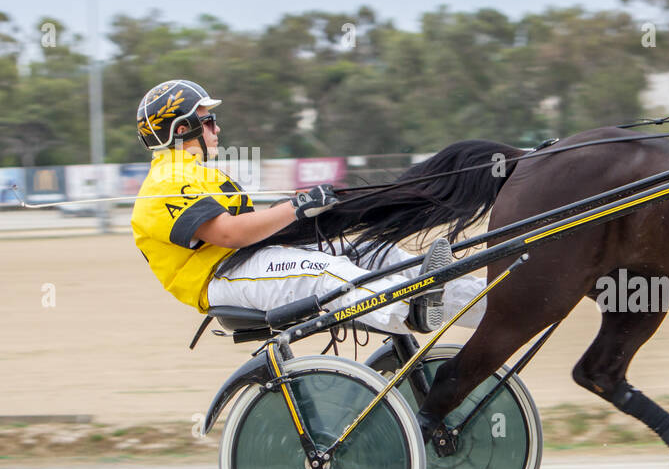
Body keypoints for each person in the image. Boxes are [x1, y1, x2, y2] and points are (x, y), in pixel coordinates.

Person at [130, 79, 484, 335]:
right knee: (323, 272)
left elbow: (251, 225)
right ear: (182, 129)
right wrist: (296, 207)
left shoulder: (196, 173)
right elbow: (229, 233)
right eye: (208, 121)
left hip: (247, 260)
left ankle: (486, 305)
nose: (217, 128)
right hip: (221, 277)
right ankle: (410, 311)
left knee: (373, 253)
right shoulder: (165, 182)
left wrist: (301, 208)